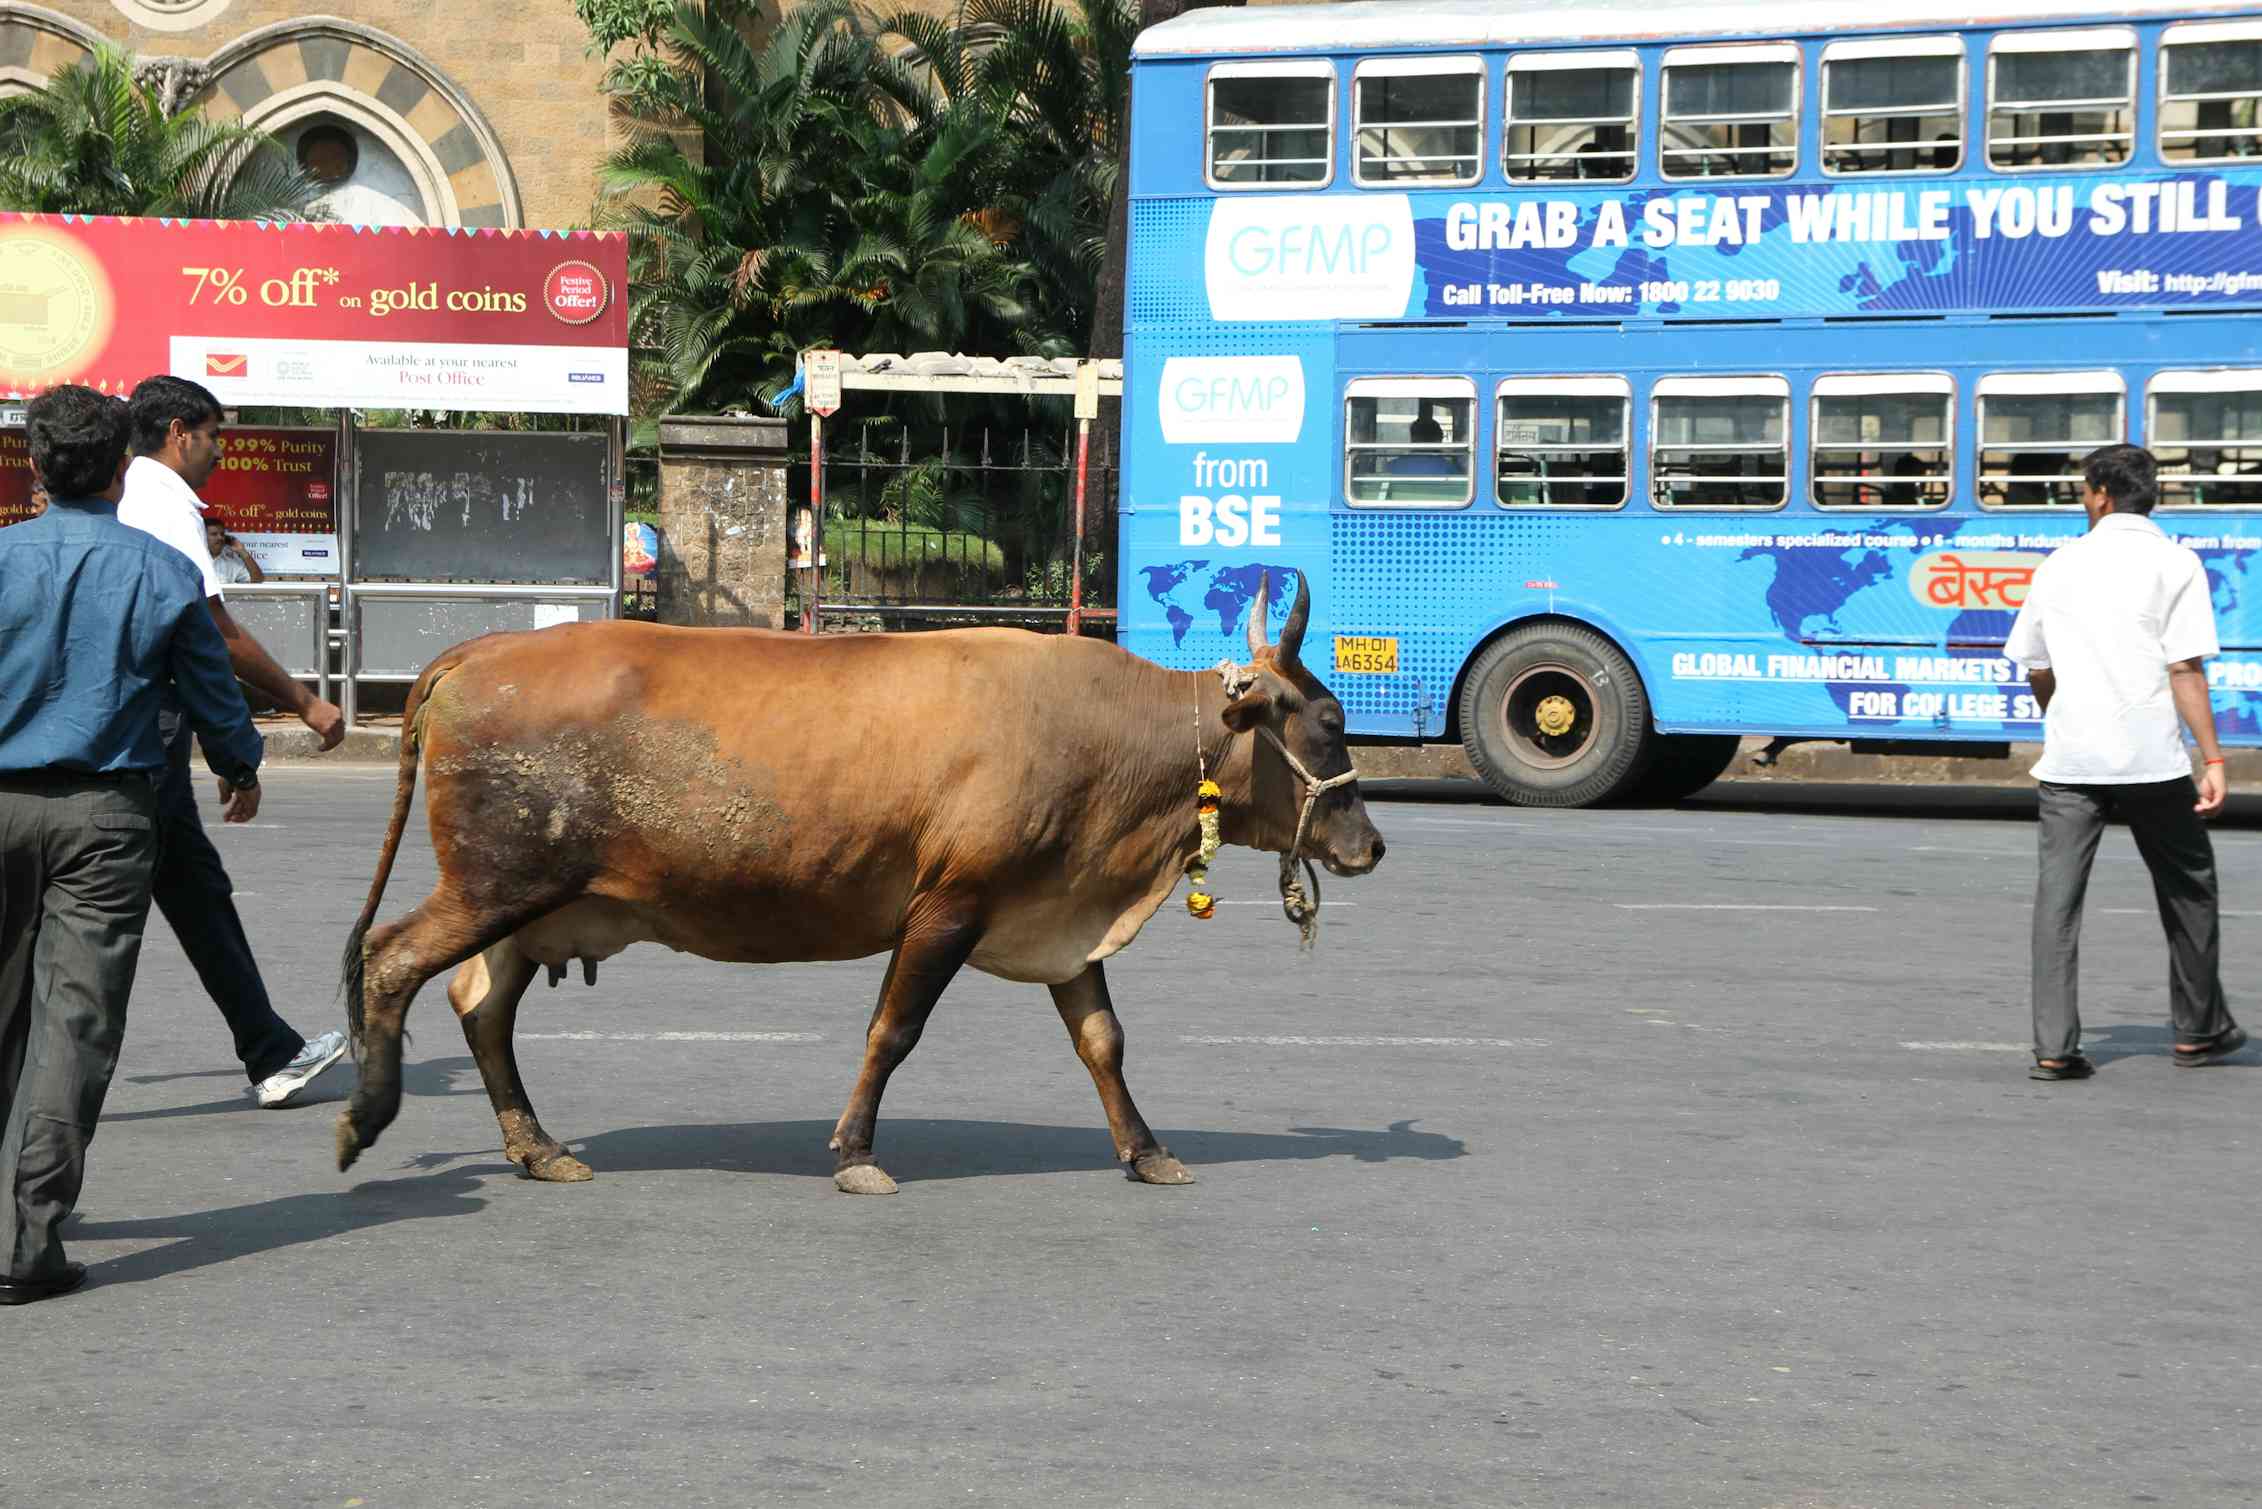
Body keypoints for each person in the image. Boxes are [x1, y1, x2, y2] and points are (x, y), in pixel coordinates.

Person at [0, 385, 265, 1304]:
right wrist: (240, 765)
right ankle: (25, 1241)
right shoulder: (159, 569)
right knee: (76, 1026)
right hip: (110, 816)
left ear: (35, 466)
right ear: (123, 469)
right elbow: (212, 691)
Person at [119, 377, 348, 1108]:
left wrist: (227, 749)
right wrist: (304, 702)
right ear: (180, 431)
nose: (219, 452)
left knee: (198, 894)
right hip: (140, 738)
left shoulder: (138, 497)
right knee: (92, 925)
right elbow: (209, 634)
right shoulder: (162, 503)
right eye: (214, 435)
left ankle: (271, 1051)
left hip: (142, 732)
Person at [2003, 443, 2248, 1080]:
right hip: (2152, 762)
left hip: (2070, 763)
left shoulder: (2059, 564)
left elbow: (2035, 663)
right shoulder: (2176, 563)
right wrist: (2214, 758)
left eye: (2084, 490)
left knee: (2057, 903)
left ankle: (2054, 1048)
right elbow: (2186, 669)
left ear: (2102, 494)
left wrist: (2060, 715)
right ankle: (2198, 1029)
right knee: (2190, 887)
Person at [204, 517, 263, 585]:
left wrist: (242, 551)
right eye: (214, 534)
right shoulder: (194, 560)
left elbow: (257, 580)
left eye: (222, 534)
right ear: (203, 536)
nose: (220, 538)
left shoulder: (230, 561)